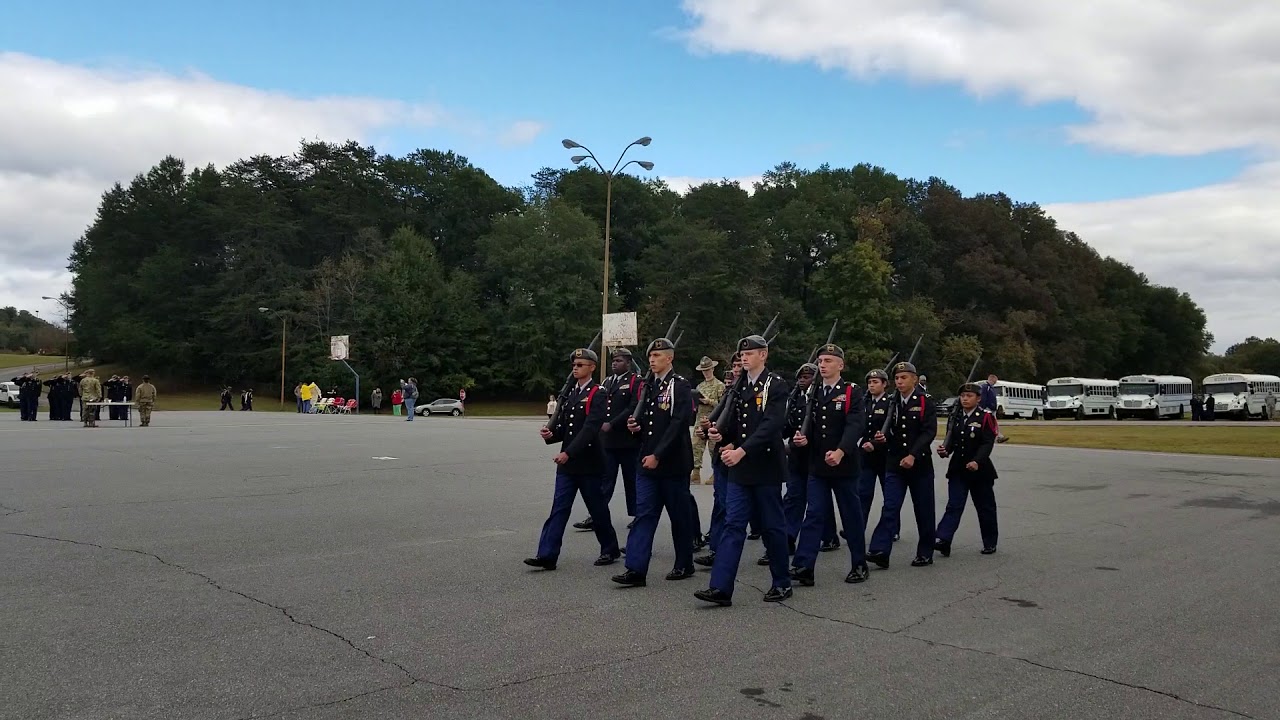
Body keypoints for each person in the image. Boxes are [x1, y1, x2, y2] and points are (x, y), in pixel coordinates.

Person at [697, 334, 793, 606]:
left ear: (763, 355)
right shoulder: (738, 386)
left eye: (749, 354)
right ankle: (720, 588)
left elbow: (771, 425)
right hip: (739, 468)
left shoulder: (776, 385)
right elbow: (734, 423)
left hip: (764, 466)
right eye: (742, 354)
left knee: (772, 527)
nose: (744, 358)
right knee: (733, 525)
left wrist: (741, 450)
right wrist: (720, 435)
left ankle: (782, 582)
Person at [524, 348, 621, 571]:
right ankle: (547, 554)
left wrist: (568, 453)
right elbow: (567, 428)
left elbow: (590, 429)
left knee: (597, 510)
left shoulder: (598, 392)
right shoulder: (570, 394)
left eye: (581, 365)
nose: (576, 368)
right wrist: (551, 436)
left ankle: (610, 548)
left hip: (588, 463)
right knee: (559, 509)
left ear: (592, 367)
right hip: (567, 465)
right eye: (574, 365)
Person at [611, 336, 696, 588]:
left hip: (672, 464)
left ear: (669, 358)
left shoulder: (679, 386)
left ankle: (684, 563)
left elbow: (677, 424)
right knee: (644, 515)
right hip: (646, 462)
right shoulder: (648, 386)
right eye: (650, 356)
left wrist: (658, 455)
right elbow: (648, 423)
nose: (652, 360)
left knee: (679, 516)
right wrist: (635, 427)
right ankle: (636, 569)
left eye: (657, 356)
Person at [788, 343, 870, 587]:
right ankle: (804, 565)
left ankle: (859, 563)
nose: (823, 365)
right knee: (813, 514)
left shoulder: (851, 391)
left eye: (828, 361)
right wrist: (802, 439)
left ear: (840, 365)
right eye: (821, 361)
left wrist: (842, 450)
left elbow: (856, 424)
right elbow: (813, 424)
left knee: (850, 515)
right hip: (819, 465)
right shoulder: (814, 391)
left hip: (844, 465)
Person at [867, 361, 937, 569]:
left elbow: (929, 432)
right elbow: (889, 428)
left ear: (914, 379)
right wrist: (882, 437)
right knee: (890, 507)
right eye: (897, 378)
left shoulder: (925, 401)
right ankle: (880, 550)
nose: (899, 381)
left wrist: (913, 455)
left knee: (923, 510)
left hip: (919, 463)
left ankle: (925, 552)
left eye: (904, 377)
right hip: (895, 463)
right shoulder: (891, 401)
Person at [574, 348, 640, 532]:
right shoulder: (607, 382)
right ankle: (596, 516)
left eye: (619, 360)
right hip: (608, 442)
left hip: (627, 441)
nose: (614, 363)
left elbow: (633, 406)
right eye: (613, 360)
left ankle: (638, 516)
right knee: (604, 481)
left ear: (628, 362)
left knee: (632, 481)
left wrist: (612, 423)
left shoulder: (635, 381)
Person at [779, 363, 838, 566]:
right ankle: (788, 538)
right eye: (800, 376)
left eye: (807, 376)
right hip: (797, 458)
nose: (802, 380)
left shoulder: (821, 398)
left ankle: (829, 535)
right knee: (794, 497)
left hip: (816, 457)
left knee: (817, 502)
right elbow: (787, 425)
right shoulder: (795, 399)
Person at [935, 382, 1000, 556]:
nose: (965, 399)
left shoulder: (985, 417)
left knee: (985, 508)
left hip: (980, 470)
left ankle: (990, 542)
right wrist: (945, 450)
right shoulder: (955, 416)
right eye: (963, 396)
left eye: (969, 396)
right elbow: (952, 441)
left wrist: (977, 461)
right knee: (954, 505)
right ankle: (943, 539)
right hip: (958, 469)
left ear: (978, 399)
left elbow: (987, 442)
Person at [858, 369, 896, 543]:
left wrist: (878, 442)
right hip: (866, 455)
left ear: (885, 384)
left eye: (876, 382)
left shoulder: (890, 403)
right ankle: (859, 526)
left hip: (885, 455)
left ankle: (893, 528)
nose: (872, 385)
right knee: (863, 492)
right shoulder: (864, 402)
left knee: (889, 495)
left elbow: (894, 430)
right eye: (870, 382)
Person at [691, 356, 725, 484]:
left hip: (713, 421)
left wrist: (709, 401)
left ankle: (715, 473)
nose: (706, 372)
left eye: (708, 369)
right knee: (696, 447)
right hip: (700, 419)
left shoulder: (719, 386)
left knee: (713, 448)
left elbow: (723, 405)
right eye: (704, 370)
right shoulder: (700, 386)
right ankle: (695, 473)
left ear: (713, 369)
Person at [980, 375, 1009, 443]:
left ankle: (998, 436)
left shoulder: (991, 388)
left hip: (992, 409)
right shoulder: (985, 387)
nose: (995, 383)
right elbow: (983, 398)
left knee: (994, 423)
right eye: (995, 381)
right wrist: (984, 407)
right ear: (992, 380)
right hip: (987, 409)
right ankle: (997, 436)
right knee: (990, 423)